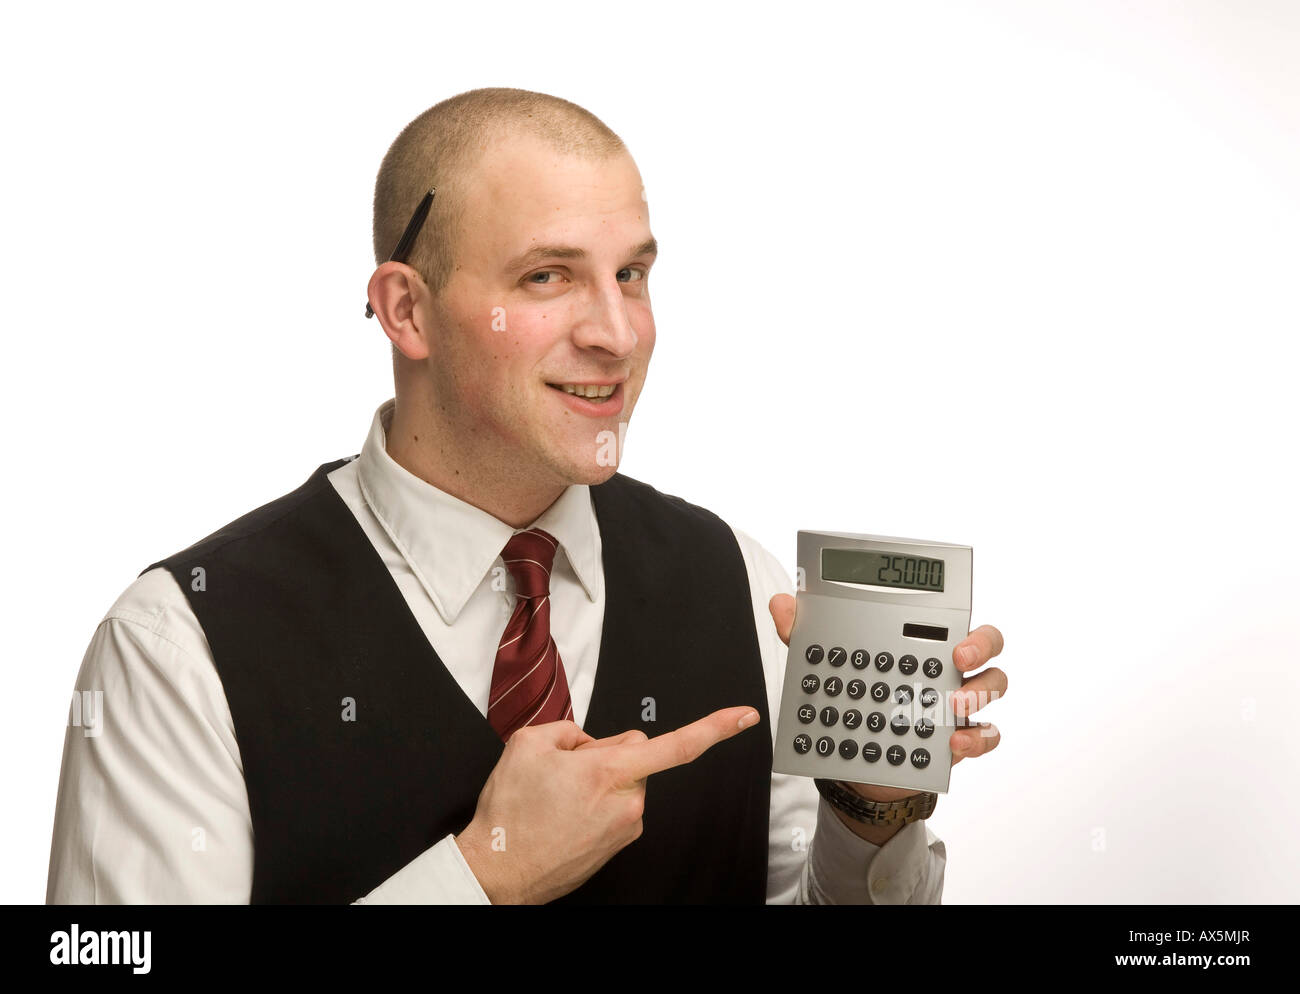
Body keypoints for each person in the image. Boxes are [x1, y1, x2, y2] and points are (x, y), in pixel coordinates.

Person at [45, 87, 1007, 904]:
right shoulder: (178, 645)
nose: (618, 334)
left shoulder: (735, 582)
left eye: (631, 274)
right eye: (549, 277)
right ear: (406, 309)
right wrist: (479, 877)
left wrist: (865, 813)